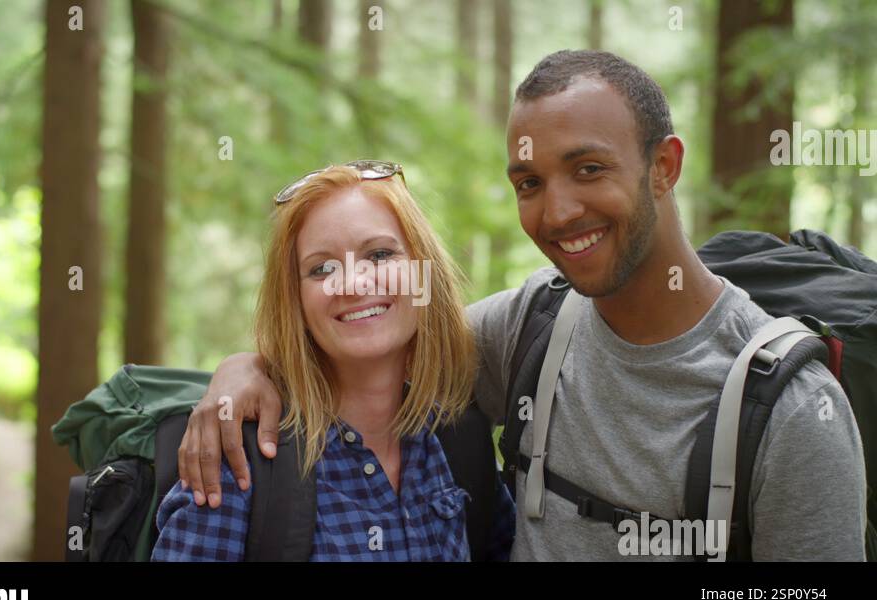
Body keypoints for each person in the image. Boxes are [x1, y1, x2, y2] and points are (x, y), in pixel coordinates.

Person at [176, 51, 867, 562]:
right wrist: (248, 368)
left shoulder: (791, 409)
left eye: (589, 169)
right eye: (530, 182)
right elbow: (369, 336)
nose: (558, 212)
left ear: (664, 166)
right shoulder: (532, 327)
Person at [152, 160, 516, 561]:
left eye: (379, 254)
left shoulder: (460, 443)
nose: (354, 283)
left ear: (423, 277)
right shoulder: (239, 462)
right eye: (322, 268)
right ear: (296, 303)